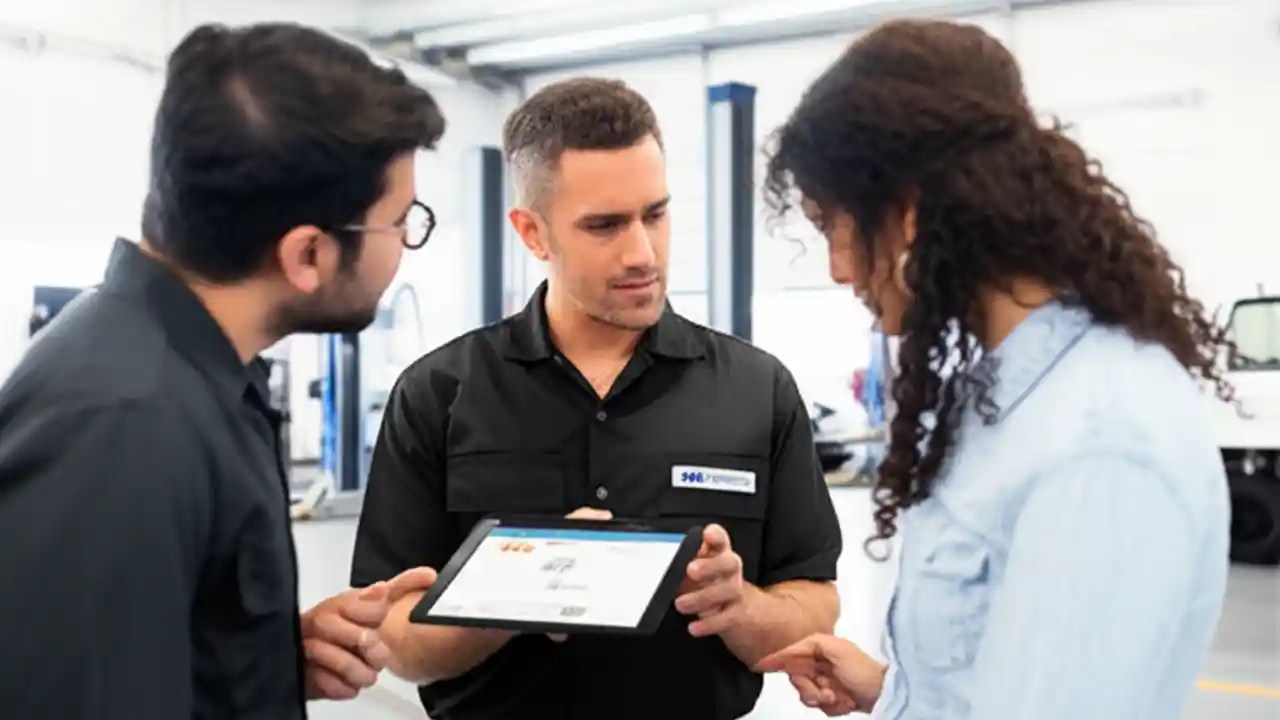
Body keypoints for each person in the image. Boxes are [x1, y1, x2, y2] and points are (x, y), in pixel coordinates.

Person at [754, 18, 1231, 720]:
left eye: (832, 225)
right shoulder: (1011, 397)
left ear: (908, 212)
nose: (836, 269)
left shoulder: (1098, 443)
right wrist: (897, 695)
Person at [351, 77, 843, 720]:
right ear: (533, 233)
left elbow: (814, 605)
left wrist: (738, 606)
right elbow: (394, 634)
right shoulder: (438, 395)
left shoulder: (757, 390)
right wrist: (518, 598)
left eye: (655, 215)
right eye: (605, 226)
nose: (642, 253)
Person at [0, 22, 445, 718]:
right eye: (401, 221)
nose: (405, 245)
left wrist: (258, 658)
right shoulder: (124, 426)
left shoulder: (193, 376)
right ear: (307, 255)